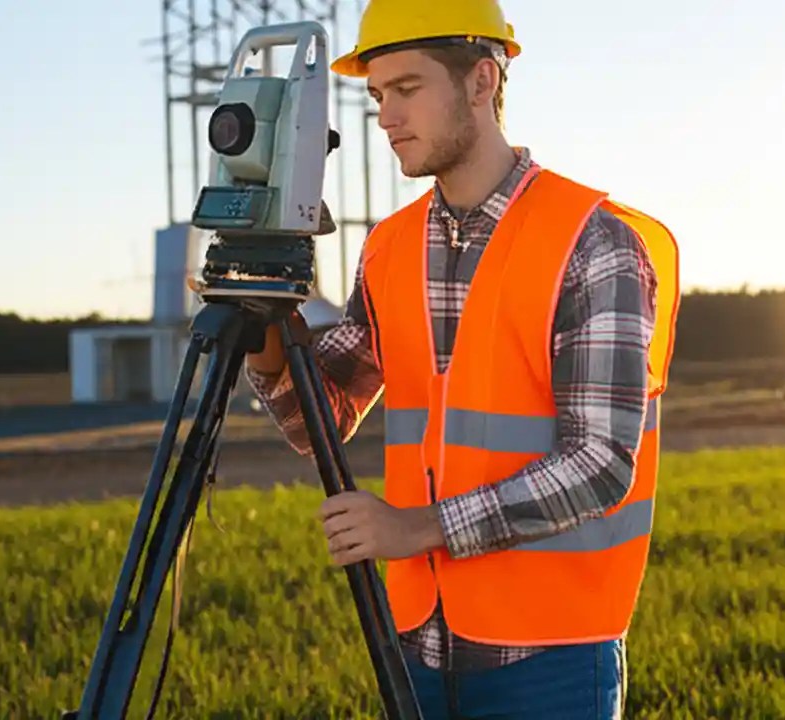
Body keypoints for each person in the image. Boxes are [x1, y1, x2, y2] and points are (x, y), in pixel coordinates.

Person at [244, 0, 681, 718]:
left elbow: (601, 463)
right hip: (417, 645)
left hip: (552, 659)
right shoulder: (390, 247)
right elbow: (319, 418)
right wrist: (264, 325)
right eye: (378, 95)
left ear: (482, 81)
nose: (385, 117)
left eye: (407, 90)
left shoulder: (592, 243)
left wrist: (418, 528)